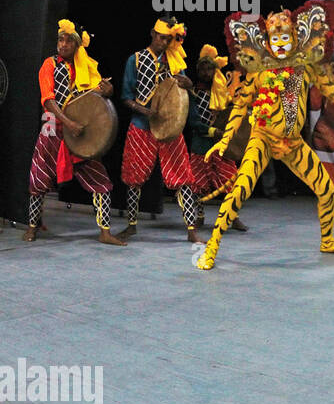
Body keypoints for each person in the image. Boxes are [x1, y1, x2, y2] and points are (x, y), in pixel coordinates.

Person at [195, 2, 334, 270]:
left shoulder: (306, 68)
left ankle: (327, 240)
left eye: (285, 37)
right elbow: (241, 106)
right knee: (240, 191)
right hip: (263, 138)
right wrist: (224, 139)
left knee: (327, 190)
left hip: (293, 144)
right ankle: (211, 249)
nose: (279, 43)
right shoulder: (260, 72)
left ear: (295, 38)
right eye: (274, 38)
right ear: (267, 40)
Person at [24, 19, 126, 245]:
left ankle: (105, 232)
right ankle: (32, 227)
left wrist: (107, 91)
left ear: (78, 45)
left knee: (101, 183)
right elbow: (48, 101)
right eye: (61, 39)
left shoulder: (87, 67)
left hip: (79, 136)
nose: (63, 44)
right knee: (38, 180)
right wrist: (68, 123)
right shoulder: (49, 65)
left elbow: (95, 98)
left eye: (69, 41)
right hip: (52, 128)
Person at [118, 17, 202, 242]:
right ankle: (132, 224)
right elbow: (126, 97)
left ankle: (191, 230)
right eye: (161, 37)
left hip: (169, 128)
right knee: (134, 176)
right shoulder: (134, 60)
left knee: (182, 176)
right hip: (141, 126)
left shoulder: (175, 61)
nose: (163, 42)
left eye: (168, 39)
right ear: (152, 34)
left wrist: (189, 85)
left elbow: (186, 90)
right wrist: (146, 112)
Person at [186, 44, 246, 231]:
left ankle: (232, 217)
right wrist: (213, 132)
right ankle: (200, 216)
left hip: (221, 145)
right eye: (202, 69)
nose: (205, 72)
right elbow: (193, 122)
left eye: (209, 68)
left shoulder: (222, 93)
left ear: (215, 70)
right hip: (201, 144)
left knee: (230, 181)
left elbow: (229, 115)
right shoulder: (193, 93)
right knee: (198, 185)